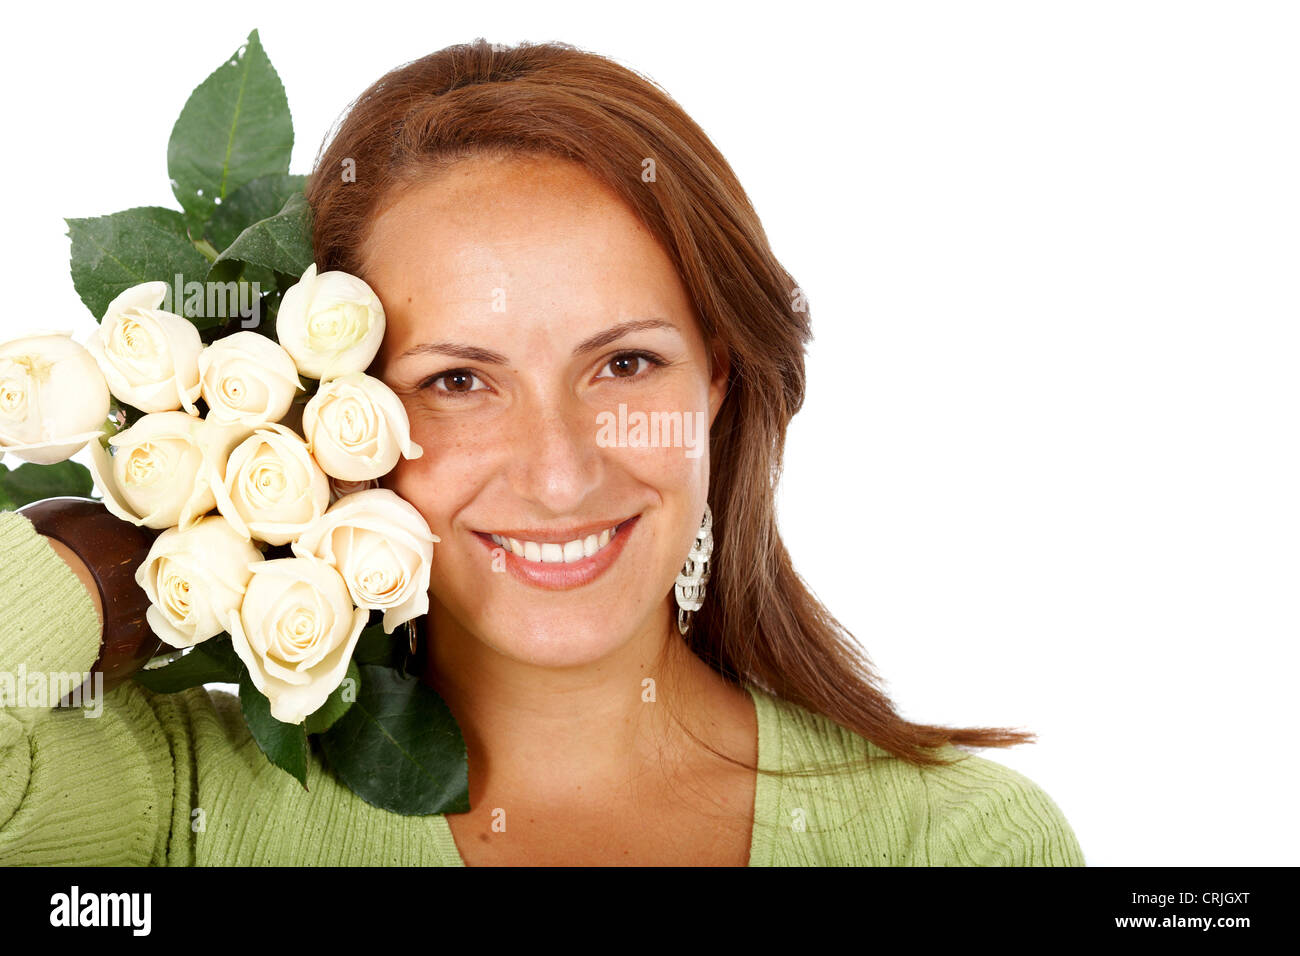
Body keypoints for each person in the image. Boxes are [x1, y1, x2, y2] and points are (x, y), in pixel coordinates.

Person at [0, 38, 1083, 866]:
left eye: (624, 366)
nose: (560, 471)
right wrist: (152, 533)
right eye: (458, 381)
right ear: (333, 414)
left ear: (718, 382)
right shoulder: (187, 799)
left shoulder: (952, 842)